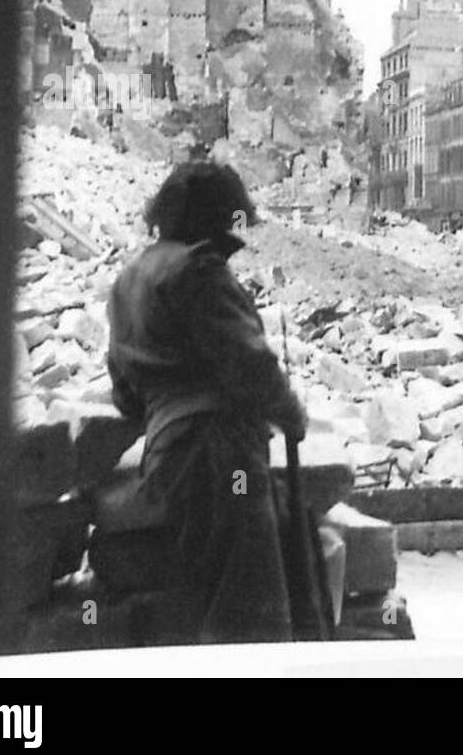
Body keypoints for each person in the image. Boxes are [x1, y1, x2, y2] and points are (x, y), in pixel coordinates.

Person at [106, 161, 313, 644]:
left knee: (209, 596)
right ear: (209, 221)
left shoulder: (127, 281)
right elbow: (249, 363)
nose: (233, 244)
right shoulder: (198, 270)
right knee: (250, 613)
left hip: (169, 457)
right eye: (229, 229)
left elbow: (124, 392)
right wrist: (290, 413)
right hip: (220, 454)